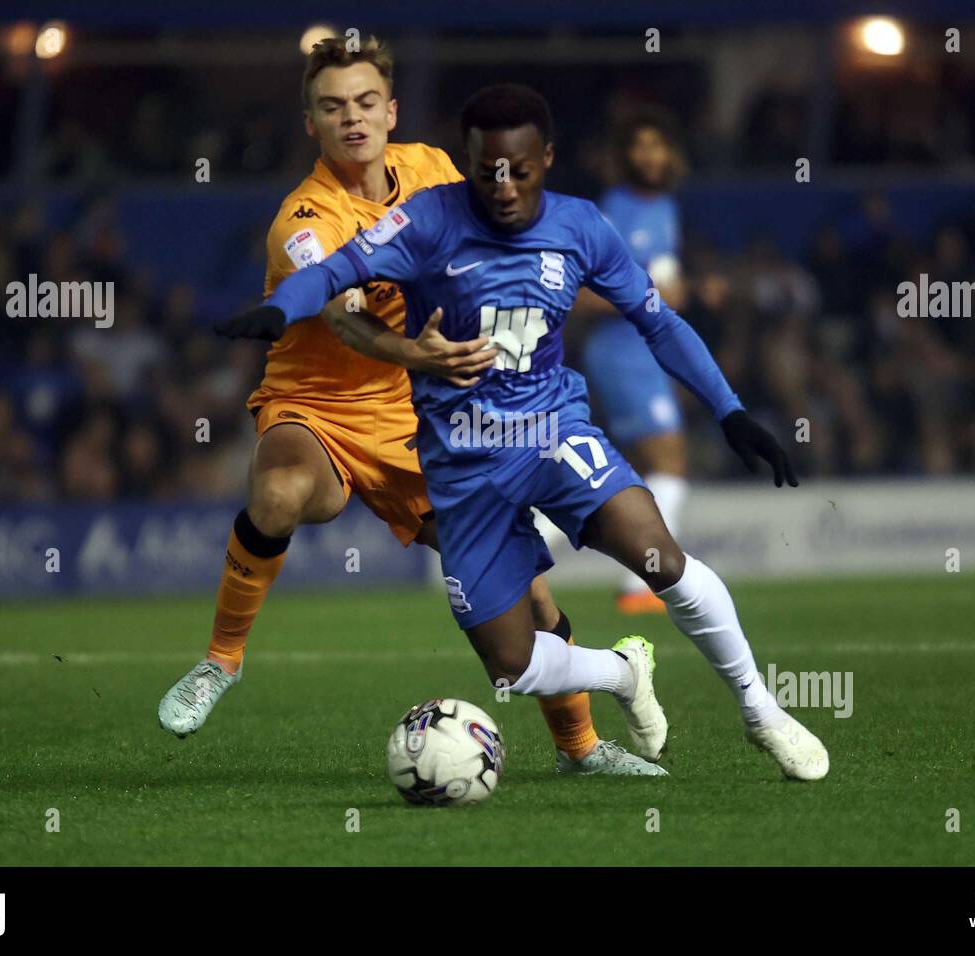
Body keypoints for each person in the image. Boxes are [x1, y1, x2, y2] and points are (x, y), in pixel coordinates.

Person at [215, 84, 829, 780]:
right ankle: (622, 671)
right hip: (462, 467)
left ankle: (762, 713)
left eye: (520, 170)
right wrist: (281, 308)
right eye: (486, 172)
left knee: (660, 557)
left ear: (547, 158)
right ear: (470, 165)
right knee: (512, 664)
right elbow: (332, 271)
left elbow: (657, 319)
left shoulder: (582, 226)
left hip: (553, 434)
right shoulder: (426, 222)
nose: (503, 188)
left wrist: (730, 410)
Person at [160, 39, 663, 776]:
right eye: (332, 108)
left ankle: (581, 751)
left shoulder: (434, 169)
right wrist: (420, 352)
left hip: (421, 422)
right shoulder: (303, 220)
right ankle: (220, 662)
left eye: (365, 103)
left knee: (530, 597)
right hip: (318, 407)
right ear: (312, 124)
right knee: (281, 490)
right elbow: (338, 315)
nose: (352, 119)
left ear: (390, 111)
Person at [577, 114, 689, 614]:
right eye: (639, 145)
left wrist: (682, 293)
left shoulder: (664, 208)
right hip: (618, 353)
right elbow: (578, 294)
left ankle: (638, 582)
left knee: (641, 469)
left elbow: (666, 288)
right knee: (668, 460)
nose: (649, 156)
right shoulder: (612, 211)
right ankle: (647, 580)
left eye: (657, 145)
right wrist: (646, 297)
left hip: (647, 353)